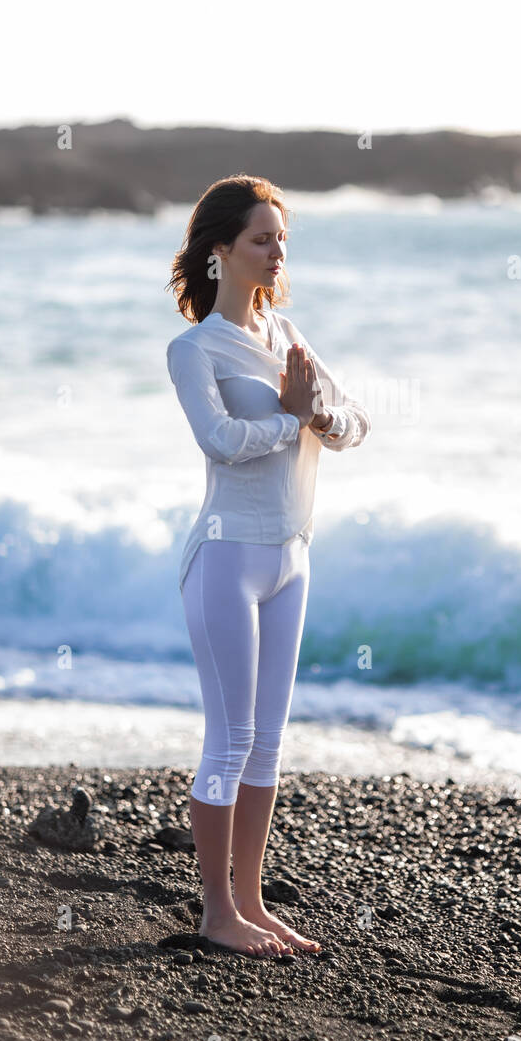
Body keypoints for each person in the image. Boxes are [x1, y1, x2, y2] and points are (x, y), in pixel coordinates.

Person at [165, 174, 370, 959]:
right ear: (221, 252)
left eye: (282, 237)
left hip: (293, 559)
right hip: (225, 560)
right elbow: (218, 440)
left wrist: (318, 412)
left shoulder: (289, 338)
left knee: (269, 744)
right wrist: (291, 420)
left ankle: (251, 904)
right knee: (229, 739)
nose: (277, 250)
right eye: (261, 238)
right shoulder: (194, 349)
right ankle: (217, 913)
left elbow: (356, 425)